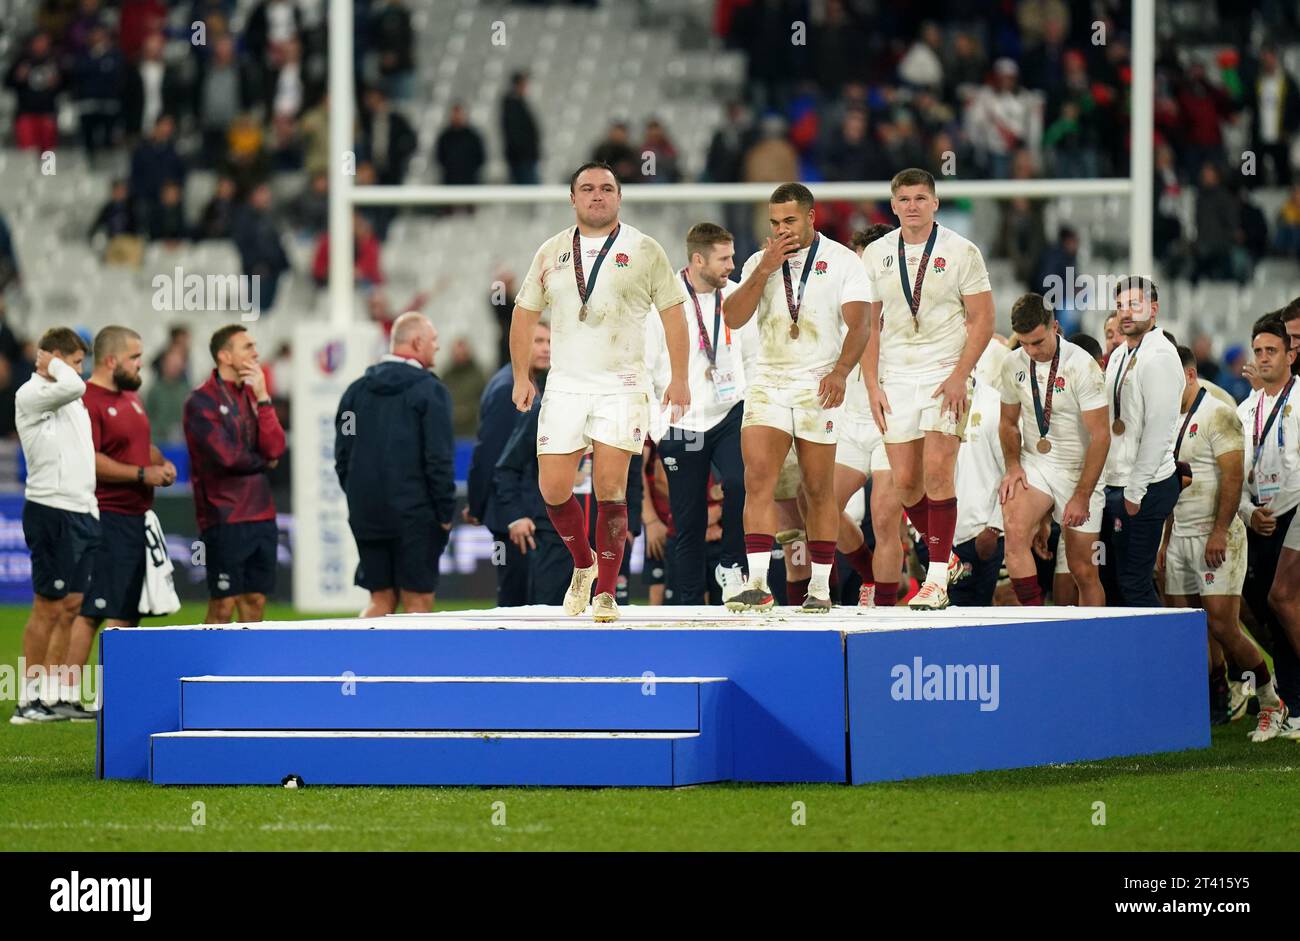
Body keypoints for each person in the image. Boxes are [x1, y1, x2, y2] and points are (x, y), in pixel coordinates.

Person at [508, 161, 689, 622]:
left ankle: (606, 592)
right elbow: (524, 314)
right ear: (572, 198)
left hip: (622, 384)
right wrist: (521, 375)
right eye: (586, 189)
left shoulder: (645, 249)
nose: (596, 196)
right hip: (566, 383)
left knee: (611, 490)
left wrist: (680, 376)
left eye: (606, 188)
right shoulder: (550, 251)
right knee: (552, 490)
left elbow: (673, 315)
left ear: (619, 197)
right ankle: (584, 566)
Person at [724, 182, 872, 612]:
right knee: (758, 480)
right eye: (774, 222)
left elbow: (860, 325)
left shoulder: (843, 262)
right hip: (769, 381)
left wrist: (842, 371)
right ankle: (756, 583)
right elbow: (732, 317)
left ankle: (821, 587)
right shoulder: (759, 261)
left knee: (818, 488)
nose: (782, 229)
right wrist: (763, 269)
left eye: (789, 220)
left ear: (811, 217)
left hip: (818, 383)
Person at [861, 168, 996, 609]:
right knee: (905, 485)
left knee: (939, 470)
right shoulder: (877, 253)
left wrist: (960, 375)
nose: (913, 206)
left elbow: (984, 319)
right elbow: (868, 325)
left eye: (921, 198)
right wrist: (872, 384)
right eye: (904, 199)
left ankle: (936, 575)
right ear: (893, 205)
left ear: (935, 203)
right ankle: (949, 558)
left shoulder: (962, 251)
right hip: (896, 376)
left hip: (944, 371)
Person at [646, 222, 753, 605]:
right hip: (682, 421)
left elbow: (753, 355)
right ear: (697, 259)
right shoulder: (665, 300)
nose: (732, 265)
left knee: (742, 483)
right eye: (724, 258)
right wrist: (659, 429)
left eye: (732, 256)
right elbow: (644, 365)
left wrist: (751, 405)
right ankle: (689, 604)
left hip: (729, 412)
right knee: (687, 521)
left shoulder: (737, 294)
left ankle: (731, 566)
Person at [67, 327, 177, 701]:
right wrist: (143, 473)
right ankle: (63, 694)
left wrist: (158, 460)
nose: (140, 363)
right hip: (105, 515)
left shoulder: (131, 397)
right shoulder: (88, 401)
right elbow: (91, 459)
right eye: (134, 357)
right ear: (111, 360)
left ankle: (113, 696)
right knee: (93, 609)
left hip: (136, 517)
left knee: (129, 610)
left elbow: (137, 445)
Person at [1158, 345, 1262, 728]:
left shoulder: (1218, 412)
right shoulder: (1168, 419)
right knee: (1186, 626)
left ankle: (1269, 699)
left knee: (1222, 625)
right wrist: (1167, 540)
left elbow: (1233, 478)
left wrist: (1220, 530)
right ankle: (1215, 698)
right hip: (1181, 532)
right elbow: (1172, 484)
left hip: (1216, 535)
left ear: (1188, 375)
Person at [335, 313, 455, 616]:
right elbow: (438, 460)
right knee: (418, 601)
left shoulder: (356, 391)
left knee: (379, 600)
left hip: (367, 512)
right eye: (434, 341)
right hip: (415, 515)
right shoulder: (432, 391)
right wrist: (444, 512)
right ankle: (418, 666)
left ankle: (362, 664)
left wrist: (357, 497)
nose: (437, 348)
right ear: (416, 342)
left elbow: (342, 457)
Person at [998, 293, 1110, 606]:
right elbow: (1007, 423)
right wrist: (1013, 466)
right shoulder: (1012, 365)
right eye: (1024, 343)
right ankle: (1035, 622)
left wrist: (1083, 494)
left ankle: (1093, 644)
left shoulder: (1081, 365)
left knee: (1082, 570)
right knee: (1014, 531)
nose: (1031, 351)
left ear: (1055, 327)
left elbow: (1101, 436)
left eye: (1038, 342)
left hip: (1079, 470)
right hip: (1038, 465)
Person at [12, 329, 96, 723]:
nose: (82, 370)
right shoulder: (32, 394)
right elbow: (75, 384)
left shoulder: (69, 393)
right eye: (76, 360)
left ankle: (57, 694)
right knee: (47, 606)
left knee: (72, 606)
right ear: (57, 358)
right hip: (50, 509)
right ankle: (26, 700)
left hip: (81, 511)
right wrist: (57, 363)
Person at [183, 325, 286, 624]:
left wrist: (265, 397)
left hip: (262, 514)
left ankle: (246, 670)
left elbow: (276, 446)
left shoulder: (253, 395)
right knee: (223, 605)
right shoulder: (201, 401)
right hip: (224, 516)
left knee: (255, 601)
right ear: (225, 355)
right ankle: (203, 666)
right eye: (248, 346)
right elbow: (226, 457)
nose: (256, 352)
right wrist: (265, 462)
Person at [1099, 277, 1184, 607]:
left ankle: (1166, 656)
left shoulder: (1160, 356)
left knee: (1134, 582)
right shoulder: (1121, 353)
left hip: (1147, 485)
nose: (1126, 313)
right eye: (1120, 306)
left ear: (1153, 309)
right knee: (1122, 582)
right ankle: (1140, 655)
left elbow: (1158, 431)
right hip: (1119, 482)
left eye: (1134, 305)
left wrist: (1135, 491)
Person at [1235, 316, 1300, 740]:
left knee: (1284, 599)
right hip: (1260, 520)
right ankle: (1292, 705)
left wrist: (1279, 506)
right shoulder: (1245, 411)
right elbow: (1235, 475)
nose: (1263, 358)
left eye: (1271, 351)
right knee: (1272, 614)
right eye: (1257, 351)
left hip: (1294, 511)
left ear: (1290, 354)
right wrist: (1246, 510)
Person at [466, 321, 550, 607]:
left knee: (532, 599)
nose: (546, 348)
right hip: (515, 516)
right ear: (518, 345)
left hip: (526, 510)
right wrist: (480, 506)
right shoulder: (508, 389)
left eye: (549, 342)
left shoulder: (532, 384)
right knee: (518, 603)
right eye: (537, 341)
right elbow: (490, 454)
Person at [948, 338, 1010, 607]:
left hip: (981, 533)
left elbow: (1011, 471)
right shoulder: (929, 403)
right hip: (938, 538)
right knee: (937, 621)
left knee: (976, 618)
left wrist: (995, 527)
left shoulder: (995, 404)